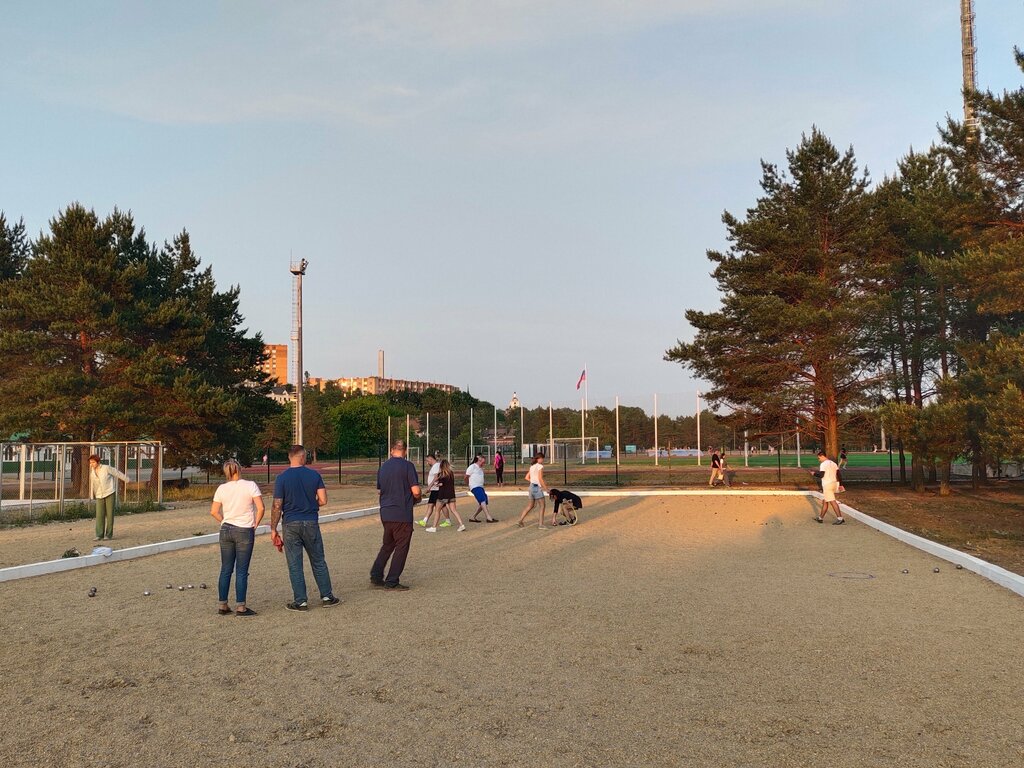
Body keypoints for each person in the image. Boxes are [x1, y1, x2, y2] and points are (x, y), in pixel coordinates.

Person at [270, 444, 341, 611]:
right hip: (310, 521)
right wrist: (310, 504)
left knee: (295, 564)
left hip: (290, 523)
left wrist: (273, 529)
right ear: (303, 457)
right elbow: (323, 500)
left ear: (289, 457)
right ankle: (326, 596)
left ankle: (300, 601)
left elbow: (276, 506)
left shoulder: (281, 478)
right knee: (318, 560)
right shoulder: (314, 475)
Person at [209, 459, 264, 616]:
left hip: (226, 529)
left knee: (226, 568)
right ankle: (241, 606)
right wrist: (255, 524)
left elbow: (214, 511)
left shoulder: (222, 488)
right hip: (244, 529)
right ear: (239, 469)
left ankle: (223, 604)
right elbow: (260, 507)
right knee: (241, 570)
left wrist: (224, 521)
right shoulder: (250, 485)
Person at [371, 440, 421, 590]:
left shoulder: (383, 467)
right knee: (401, 546)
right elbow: (416, 491)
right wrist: (417, 498)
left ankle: (376, 574)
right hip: (402, 512)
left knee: (388, 544)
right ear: (405, 451)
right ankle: (392, 580)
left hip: (386, 512)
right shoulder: (408, 466)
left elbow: (380, 490)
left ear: (392, 450)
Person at [88, 454, 130, 541]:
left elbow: (116, 473)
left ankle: (108, 535)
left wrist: (126, 479)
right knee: (99, 515)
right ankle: (99, 535)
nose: (91, 464)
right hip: (99, 495)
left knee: (110, 514)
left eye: (93, 462)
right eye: (90, 462)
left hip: (109, 492)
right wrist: (95, 494)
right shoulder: (92, 472)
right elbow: (94, 485)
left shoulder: (106, 468)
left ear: (98, 462)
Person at [428, 459, 465, 532]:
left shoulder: (441, 474)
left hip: (442, 495)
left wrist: (436, 484)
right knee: (454, 510)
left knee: (437, 510)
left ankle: (434, 527)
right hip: (451, 494)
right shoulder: (451, 473)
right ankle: (461, 524)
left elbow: (441, 484)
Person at [812, 449, 846, 525]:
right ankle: (820, 518)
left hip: (827, 485)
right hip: (834, 483)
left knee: (832, 501)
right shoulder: (834, 463)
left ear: (822, 456)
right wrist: (840, 484)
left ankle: (840, 518)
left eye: (819, 458)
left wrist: (814, 473)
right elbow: (839, 475)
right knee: (825, 501)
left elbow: (821, 475)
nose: (819, 460)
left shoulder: (823, 464)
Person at [517, 453, 547, 528]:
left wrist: (533, 481)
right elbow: (540, 478)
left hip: (531, 487)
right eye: (542, 458)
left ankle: (520, 520)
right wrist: (546, 489)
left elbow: (527, 477)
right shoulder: (540, 466)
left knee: (530, 506)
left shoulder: (532, 466)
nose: (543, 460)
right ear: (539, 458)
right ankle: (541, 524)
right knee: (542, 506)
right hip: (537, 488)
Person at [465, 454, 497, 522]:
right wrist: (468, 485)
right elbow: (466, 477)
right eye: (482, 462)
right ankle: (488, 517)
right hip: (475, 487)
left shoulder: (480, 469)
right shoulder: (472, 467)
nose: (483, 463)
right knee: (482, 500)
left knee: (484, 502)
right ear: (479, 461)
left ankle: (473, 517)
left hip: (480, 487)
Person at [418, 453, 442, 528]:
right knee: (432, 505)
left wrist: (429, 487)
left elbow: (436, 477)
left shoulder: (436, 466)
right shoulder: (436, 466)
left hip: (436, 489)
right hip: (434, 489)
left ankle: (425, 521)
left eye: (428, 460)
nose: (427, 462)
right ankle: (424, 520)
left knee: (435, 506)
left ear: (431, 459)